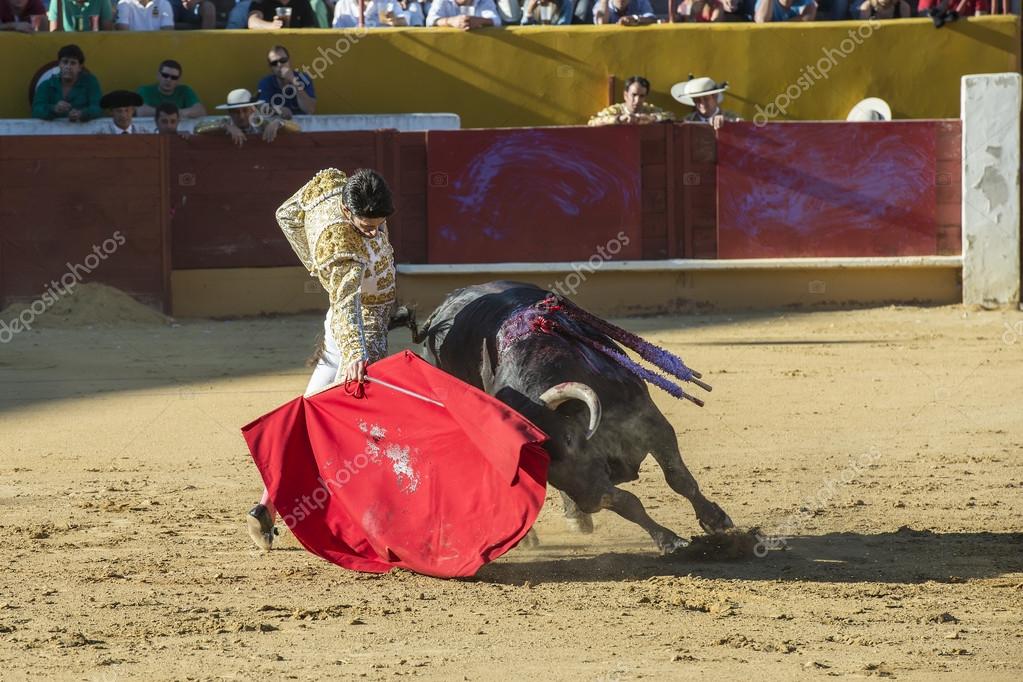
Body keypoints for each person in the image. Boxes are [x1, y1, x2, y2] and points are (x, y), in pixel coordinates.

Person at [247, 167, 398, 550]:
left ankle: (269, 502)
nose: (372, 232)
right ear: (348, 213)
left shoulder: (335, 185)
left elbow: (286, 214)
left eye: (379, 225)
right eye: (366, 226)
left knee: (311, 415)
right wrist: (357, 353)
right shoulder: (341, 246)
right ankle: (375, 521)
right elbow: (347, 304)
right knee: (368, 433)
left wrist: (312, 264)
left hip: (345, 331)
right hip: (361, 331)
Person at [195, 87, 300, 146]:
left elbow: (297, 128)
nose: (241, 116)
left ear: (253, 110)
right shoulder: (225, 123)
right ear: (229, 113)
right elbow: (197, 128)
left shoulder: (262, 123)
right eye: (235, 112)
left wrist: (278, 123)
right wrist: (225, 127)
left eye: (245, 110)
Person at [32, 44, 102, 122]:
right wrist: (54, 109)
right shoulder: (47, 85)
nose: (68, 66)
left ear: (80, 67)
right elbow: (36, 111)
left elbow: (98, 108)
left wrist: (82, 113)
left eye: (73, 63)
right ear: (59, 65)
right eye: (65, 62)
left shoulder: (90, 82)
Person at [587, 75, 674, 126]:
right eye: (634, 95)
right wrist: (618, 119)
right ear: (625, 95)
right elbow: (592, 122)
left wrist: (653, 118)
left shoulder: (649, 110)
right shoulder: (615, 110)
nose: (637, 100)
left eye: (642, 96)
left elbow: (671, 116)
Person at [256, 45, 316, 118]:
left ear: (289, 61)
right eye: (274, 63)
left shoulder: (304, 78)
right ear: (271, 67)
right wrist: (278, 111)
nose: (280, 65)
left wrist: (294, 82)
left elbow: (310, 110)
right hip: (277, 125)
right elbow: (261, 109)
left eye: (283, 60)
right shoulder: (266, 83)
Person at [137, 59, 206, 118]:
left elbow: (201, 111)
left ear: (178, 80)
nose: (169, 80)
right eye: (165, 75)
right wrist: (173, 114)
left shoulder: (185, 90)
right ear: (158, 75)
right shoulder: (145, 90)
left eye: (174, 77)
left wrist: (175, 113)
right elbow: (141, 111)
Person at [671, 75, 740, 130]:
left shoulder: (732, 118)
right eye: (697, 99)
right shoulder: (686, 121)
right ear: (693, 101)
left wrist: (727, 124)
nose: (701, 103)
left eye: (706, 98)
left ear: (715, 97)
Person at [332, 0, 425, 26]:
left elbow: (404, 21)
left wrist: (395, 21)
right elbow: (336, 34)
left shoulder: (387, 2)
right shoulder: (342, 4)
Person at [426, 0, 502, 28]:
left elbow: (496, 20)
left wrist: (479, 21)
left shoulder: (484, 1)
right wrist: (450, 21)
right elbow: (430, 20)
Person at [48, 0, 113, 31]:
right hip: (67, 49)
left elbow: (107, 33)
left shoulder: (103, 1)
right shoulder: (57, 1)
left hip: (95, 45)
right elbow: (54, 33)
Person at [247, 0, 319, 28]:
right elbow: (252, 22)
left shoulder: (302, 2)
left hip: (294, 47)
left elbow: (309, 27)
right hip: (267, 47)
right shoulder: (261, 1)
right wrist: (272, 26)